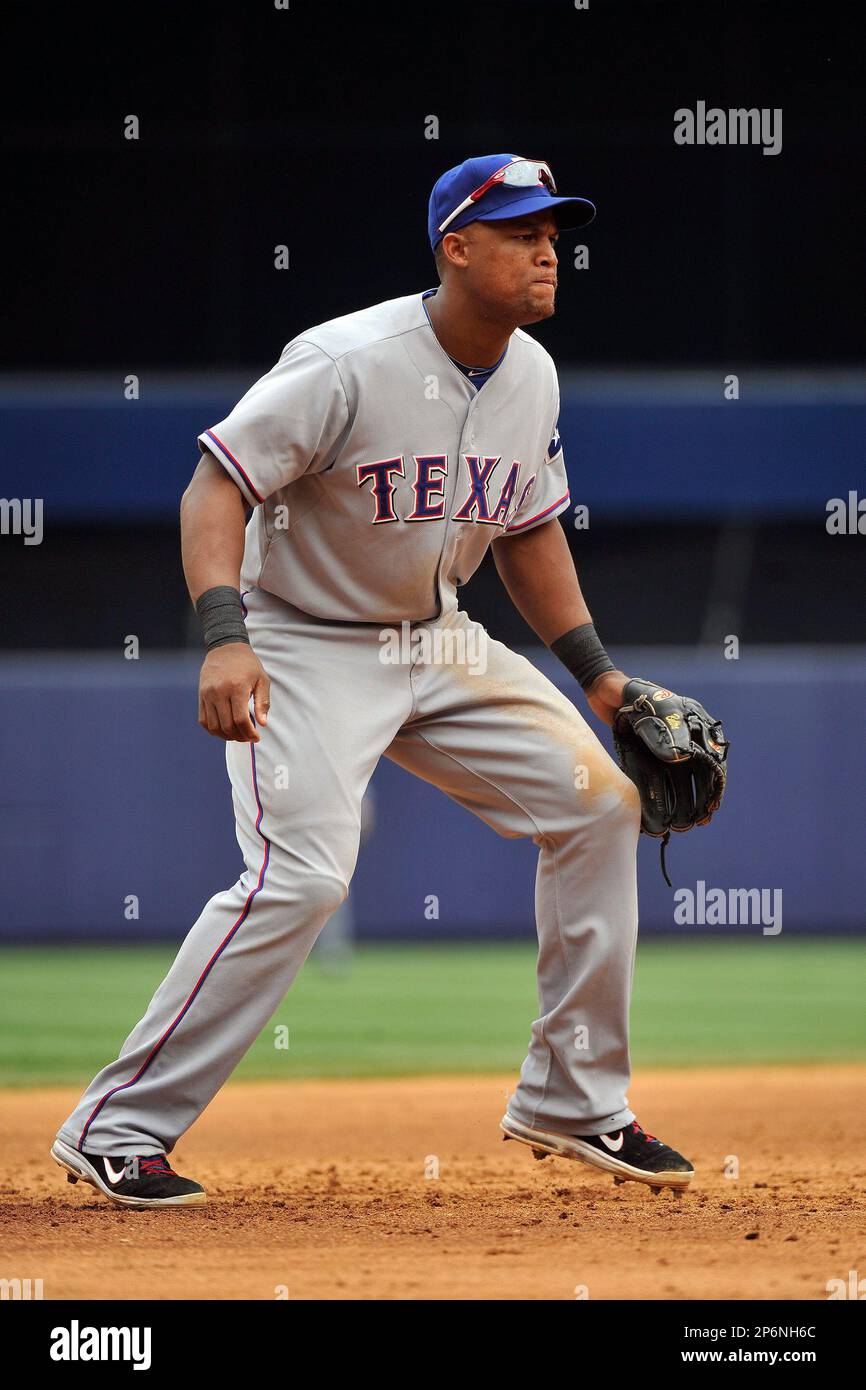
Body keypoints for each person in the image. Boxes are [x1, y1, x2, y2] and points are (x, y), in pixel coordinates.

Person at [51, 154, 696, 1208]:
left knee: (599, 805)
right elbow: (215, 484)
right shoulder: (346, 359)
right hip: (301, 640)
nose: (547, 250)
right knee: (300, 876)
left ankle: (573, 1099)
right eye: (522, 232)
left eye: (553, 232)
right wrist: (224, 635)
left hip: (434, 639)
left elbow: (529, 532)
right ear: (455, 246)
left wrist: (600, 678)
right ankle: (117, 1126)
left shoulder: (529, 374)